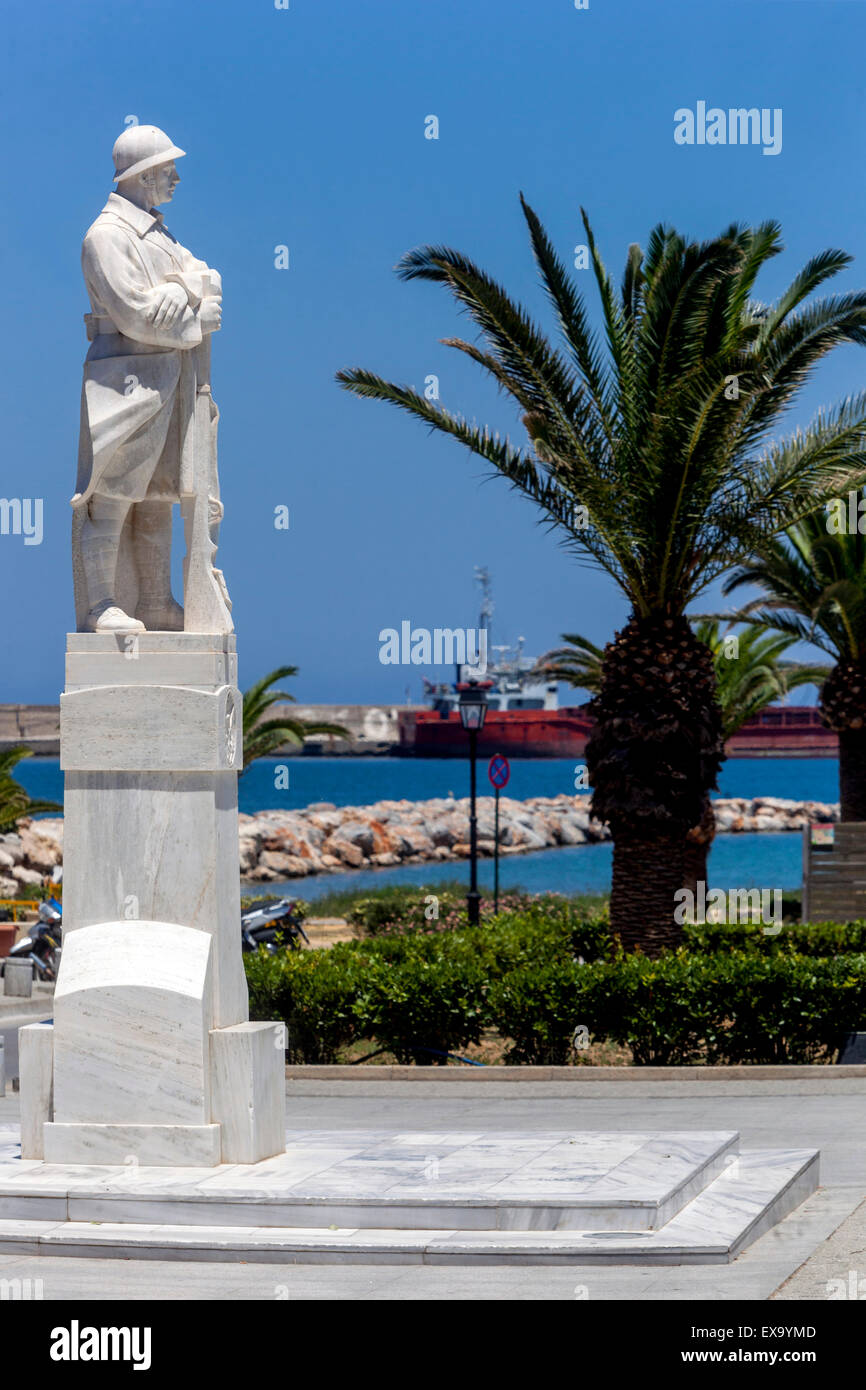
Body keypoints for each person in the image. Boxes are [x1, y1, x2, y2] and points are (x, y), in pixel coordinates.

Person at [72, 125, 224, 633]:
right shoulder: (106, 236)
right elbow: (138, 313)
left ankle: (156, 600)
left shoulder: (158, 233)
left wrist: (183, 292)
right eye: (167, 169)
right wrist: (192, 310)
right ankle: (100, 606)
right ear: (143, 174)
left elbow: (209, 278)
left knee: (159, 490)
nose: (176, 178)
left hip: (170, 377)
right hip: (125, 379)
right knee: (112, 491)